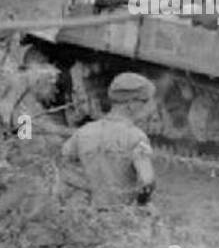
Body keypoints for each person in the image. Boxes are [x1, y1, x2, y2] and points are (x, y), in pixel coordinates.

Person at [59, 71, 156, 208]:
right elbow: (147, 181)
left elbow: (62, 167)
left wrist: (90, 189)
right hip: (122, 214)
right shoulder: (136, 137)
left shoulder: (84, 132)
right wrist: (140, 206)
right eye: (145, 101)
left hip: (91, 214)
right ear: (131, 104)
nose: (150, 108)